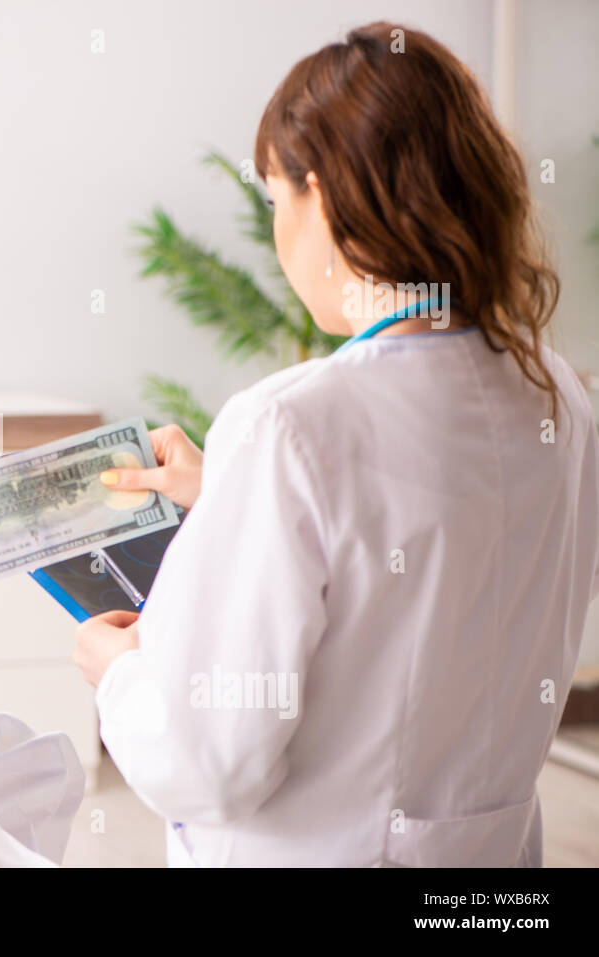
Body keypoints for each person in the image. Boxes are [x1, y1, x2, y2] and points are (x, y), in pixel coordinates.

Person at [74, 21, 599, 866]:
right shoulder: (560, 395)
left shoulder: (289, 423)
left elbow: (210, 764)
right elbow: (439, 556)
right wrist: (236, 502)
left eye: (276, 201)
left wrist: (119, 670)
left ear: (320, 196)